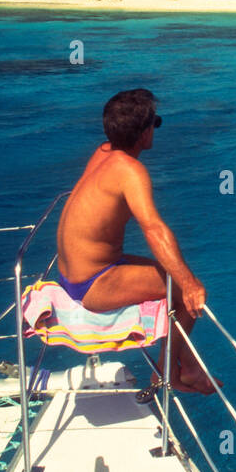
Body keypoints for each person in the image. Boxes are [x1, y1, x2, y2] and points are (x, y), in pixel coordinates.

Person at [56, 88, 219, 395]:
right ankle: (166, 375)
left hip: (75, 271)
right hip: (92, 283)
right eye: (154, 123)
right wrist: (190, 282)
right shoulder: (131, 171)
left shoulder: (103, 152)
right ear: (144, 133)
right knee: (184, 289)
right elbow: (154, 229)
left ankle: (191, 367)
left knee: (167, 272)